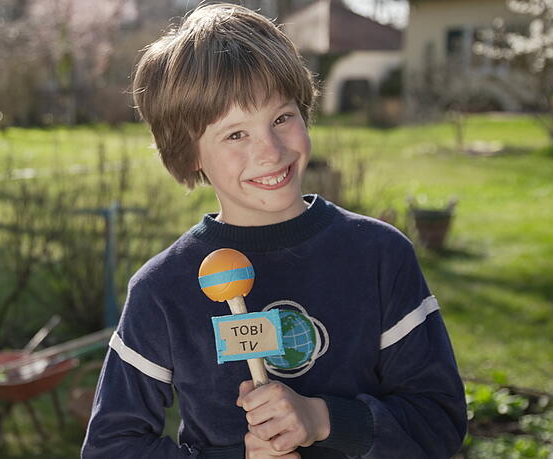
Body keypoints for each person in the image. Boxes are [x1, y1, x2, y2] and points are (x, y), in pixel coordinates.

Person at [81, 4, 467, 458]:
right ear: (189, 155)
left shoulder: (379, 256)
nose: (270, 151)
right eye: (235, 135)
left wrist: (322, 419)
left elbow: (438, 422)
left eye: (281, 118)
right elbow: (111, 448)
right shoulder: (163, 289)